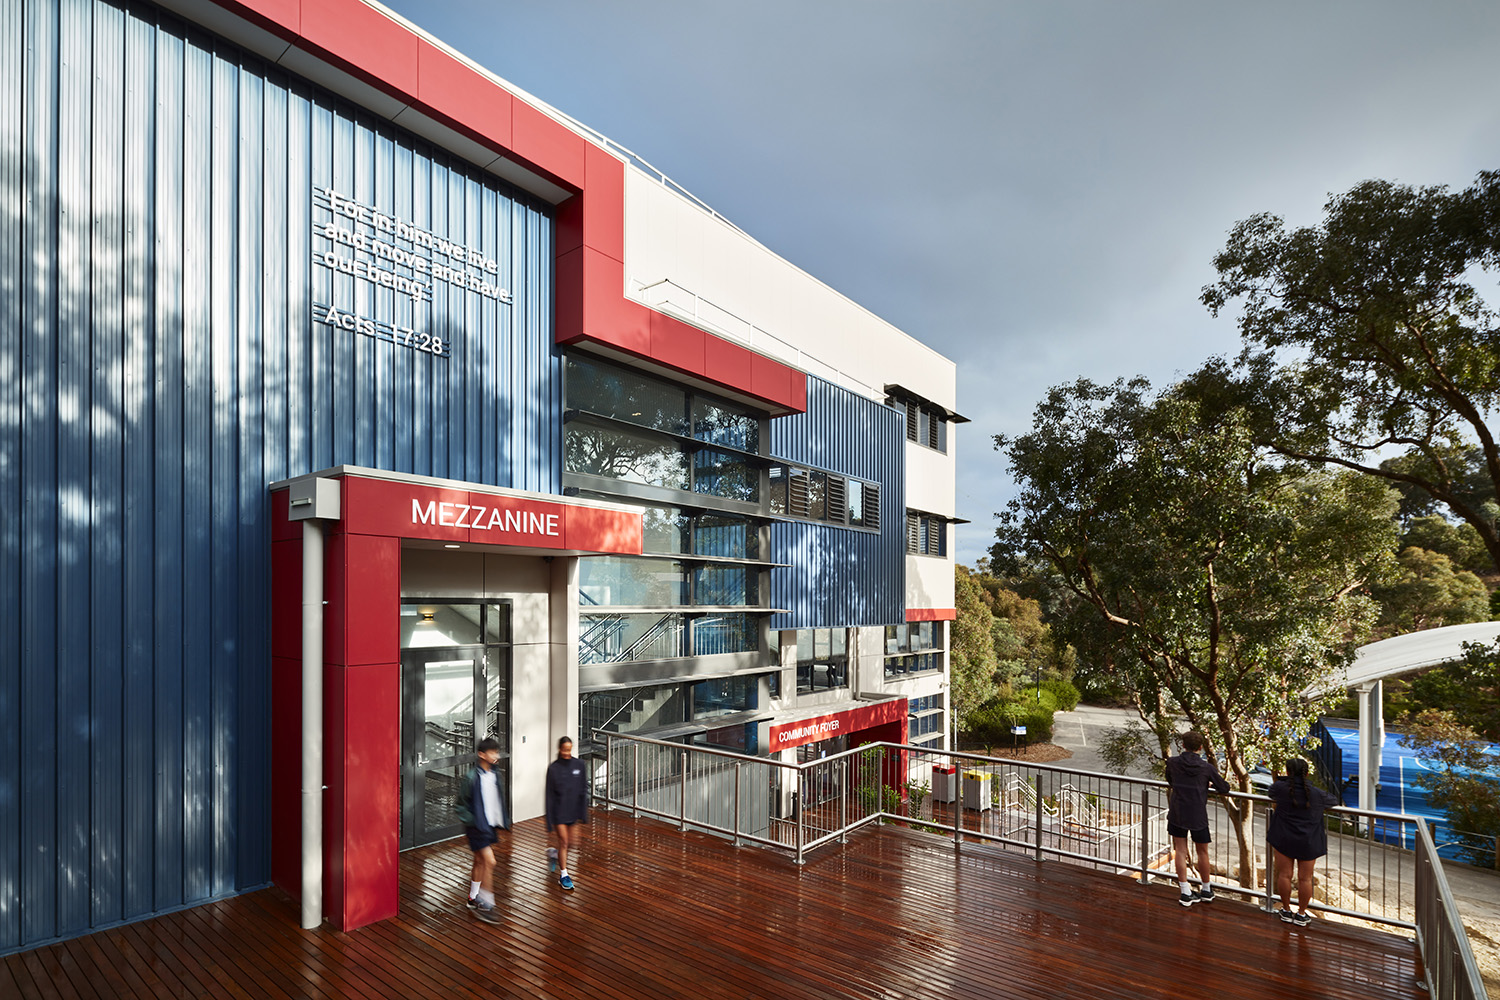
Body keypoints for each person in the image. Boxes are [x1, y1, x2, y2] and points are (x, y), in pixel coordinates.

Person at [1266, 757, 1338, 927]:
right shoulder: (1317, 794)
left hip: (1283, 838)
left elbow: (1271, 791)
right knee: (1305, 878)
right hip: (1308, 841)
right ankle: (1301, 913)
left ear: (1288, 772)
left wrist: (1284, 779)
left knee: (1285, 875)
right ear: (1306, 773)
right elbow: (1333, 800)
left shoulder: (1280, 789)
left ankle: (1285, 909)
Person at [1165, 731, 1231, 907]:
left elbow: (1170, 780)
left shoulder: (1172, 763)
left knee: (1180, 850)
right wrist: (1206, 783)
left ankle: (1185, 891)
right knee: (1202, 851)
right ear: (1200, 747)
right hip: (1197, 814)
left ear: (1183, 746)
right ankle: (1206, 889)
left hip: (1177, 811)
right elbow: (1224, 787)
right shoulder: (1206, 768)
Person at [454, 736, 510, 922]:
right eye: (492, 752)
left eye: (496, 751)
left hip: (490, 825)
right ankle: (487, 904)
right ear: (481, 754)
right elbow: (460, 805)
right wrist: (473, 820)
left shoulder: (495, 774)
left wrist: (502, 819)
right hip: (476, 826)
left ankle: (472, 897)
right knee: (490, 861)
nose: (496, 755)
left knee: (479, 861)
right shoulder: (471, 777)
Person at [544, 736, 589, 891]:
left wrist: (583, 813)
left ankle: (555, 854)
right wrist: (549, 821)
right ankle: (564, 875)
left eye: (569, 750)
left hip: (573, 811)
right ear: (559, 749)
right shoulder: (553, 768)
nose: (566, 753)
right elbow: (549, 795)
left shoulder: (579, 765)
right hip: (559, 812)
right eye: (564, 749)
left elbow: (583, 789)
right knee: (564, 842)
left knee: (570, 844)